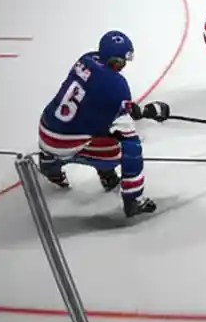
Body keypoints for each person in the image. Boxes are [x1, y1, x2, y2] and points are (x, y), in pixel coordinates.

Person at [37, 31, 166, 218]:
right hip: (67, 143)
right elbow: (124, 127)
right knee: (129, 146)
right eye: (118, 61)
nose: (120, 66)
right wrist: (147, 112)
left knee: (92, 125)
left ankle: (49, 162)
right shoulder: (116, 84)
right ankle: (133, 199)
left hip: (46, 128)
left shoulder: (86, 59)